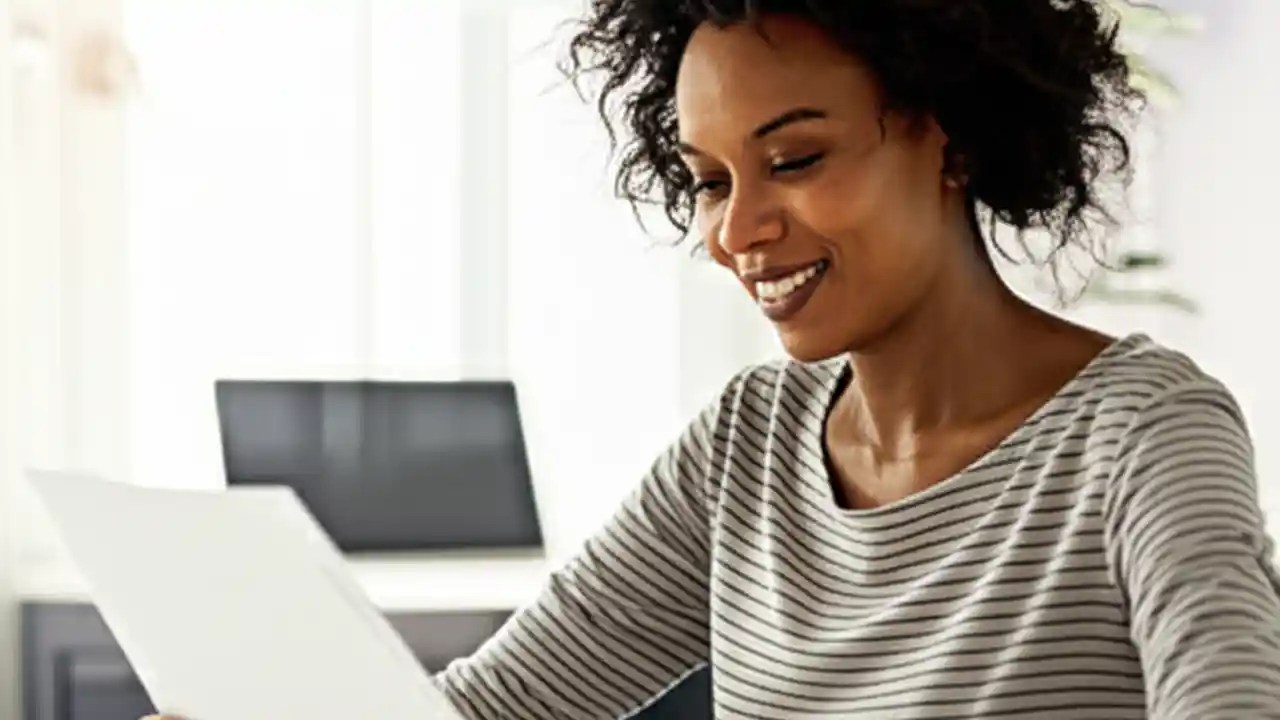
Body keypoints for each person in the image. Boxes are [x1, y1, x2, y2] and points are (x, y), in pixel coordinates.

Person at [147, 1, 1280, 718]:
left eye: (792, 158)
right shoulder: (745, 445)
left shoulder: (1140, 432)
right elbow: (498, 711)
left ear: (953, 134)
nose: (736, 232)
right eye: (707, 178)